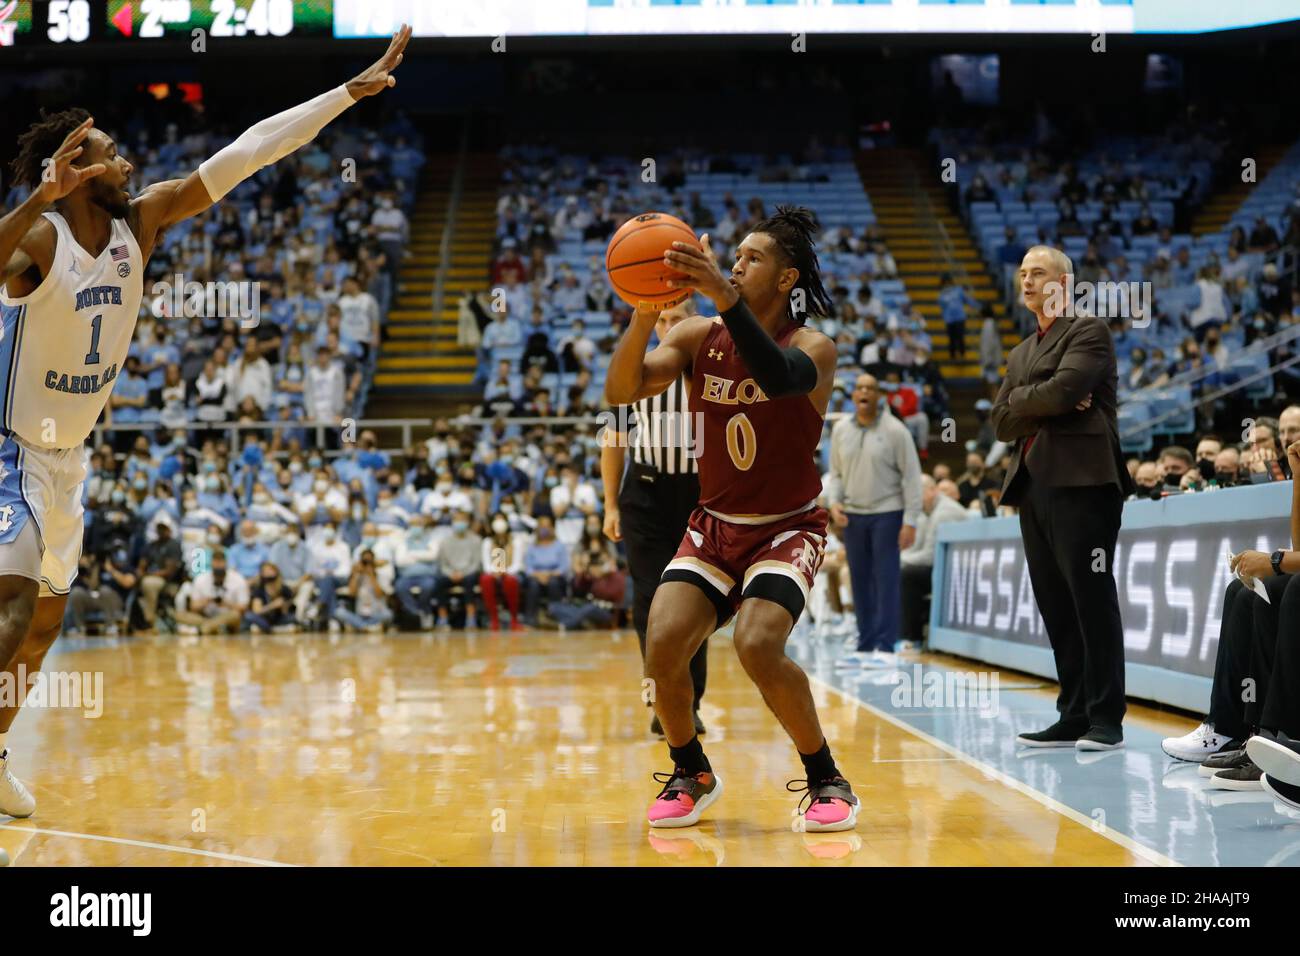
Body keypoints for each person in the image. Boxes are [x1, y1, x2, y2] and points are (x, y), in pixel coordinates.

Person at [0, 25, 410, 815]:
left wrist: (343, 95)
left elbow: (249, 151)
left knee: (45, 625)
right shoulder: (42, 241)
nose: (129, 163)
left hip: (70, 460)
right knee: (11, 601)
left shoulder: (142, 224)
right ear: (75, 171)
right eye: (113, 155)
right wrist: (35, 200)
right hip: (9, 447)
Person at [607, 205, 859, 832]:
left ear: (786, 280)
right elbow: (622, 390)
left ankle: (827, 777)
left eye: (752, 259)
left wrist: (722, 294)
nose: (737, 264)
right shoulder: (694, 337)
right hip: (714, 525)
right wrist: (642, 316)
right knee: (661, 645)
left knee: (757, 643)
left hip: (787, 527)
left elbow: (775, 379)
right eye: (735, 256)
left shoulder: (813, 348)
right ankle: (691, 768)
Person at [991, 246, 1135, 752]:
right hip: (1034, 486)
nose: (1027, 281)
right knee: (1055, 604)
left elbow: (1054, 393)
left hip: (1084, 482)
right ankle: (1072, 712)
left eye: (1038, 273)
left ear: (1064, 283)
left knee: (1091, 599)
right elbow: (1000, 419)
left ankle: (1105, 718)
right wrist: (1044, 398)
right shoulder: (1021, 350)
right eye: (1023, 273)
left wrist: (1031, 398)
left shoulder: (1089, 330)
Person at [601, 299, 708, 737]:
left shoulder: (711, 368)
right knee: (650, 598)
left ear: (695, 320)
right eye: (660, 319)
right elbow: (613, 441)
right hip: (643, 496)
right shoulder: (632, 369)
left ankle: (691, 702)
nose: (667, 327)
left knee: (694, 601)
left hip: (699, 495)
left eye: (676, 318)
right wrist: (609, 504)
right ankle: (660, 698)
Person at [825, 372, 922, 666]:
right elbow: (837, 473)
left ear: (879, 395)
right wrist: (834, 502)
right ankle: (866, 644)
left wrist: (911, 521)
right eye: (860, 388)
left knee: (886, 579)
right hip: (853, 515)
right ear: (854, 395)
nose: (864, 392)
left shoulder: (896, 431)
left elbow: (912, 478)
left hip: (887, 513)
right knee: (859, 579)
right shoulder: (841, 430)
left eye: (871, 387)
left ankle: (886, 645)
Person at [899, 475, 970, 647]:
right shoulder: (929, 511)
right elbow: (918, 550)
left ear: (932, 491)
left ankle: (912, 638)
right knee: (899, 572)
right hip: (944, 567)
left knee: (907, 575)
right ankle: (893, 633)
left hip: (957, 573)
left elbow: (930, 556)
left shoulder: (944, 513)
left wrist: (898, 560)